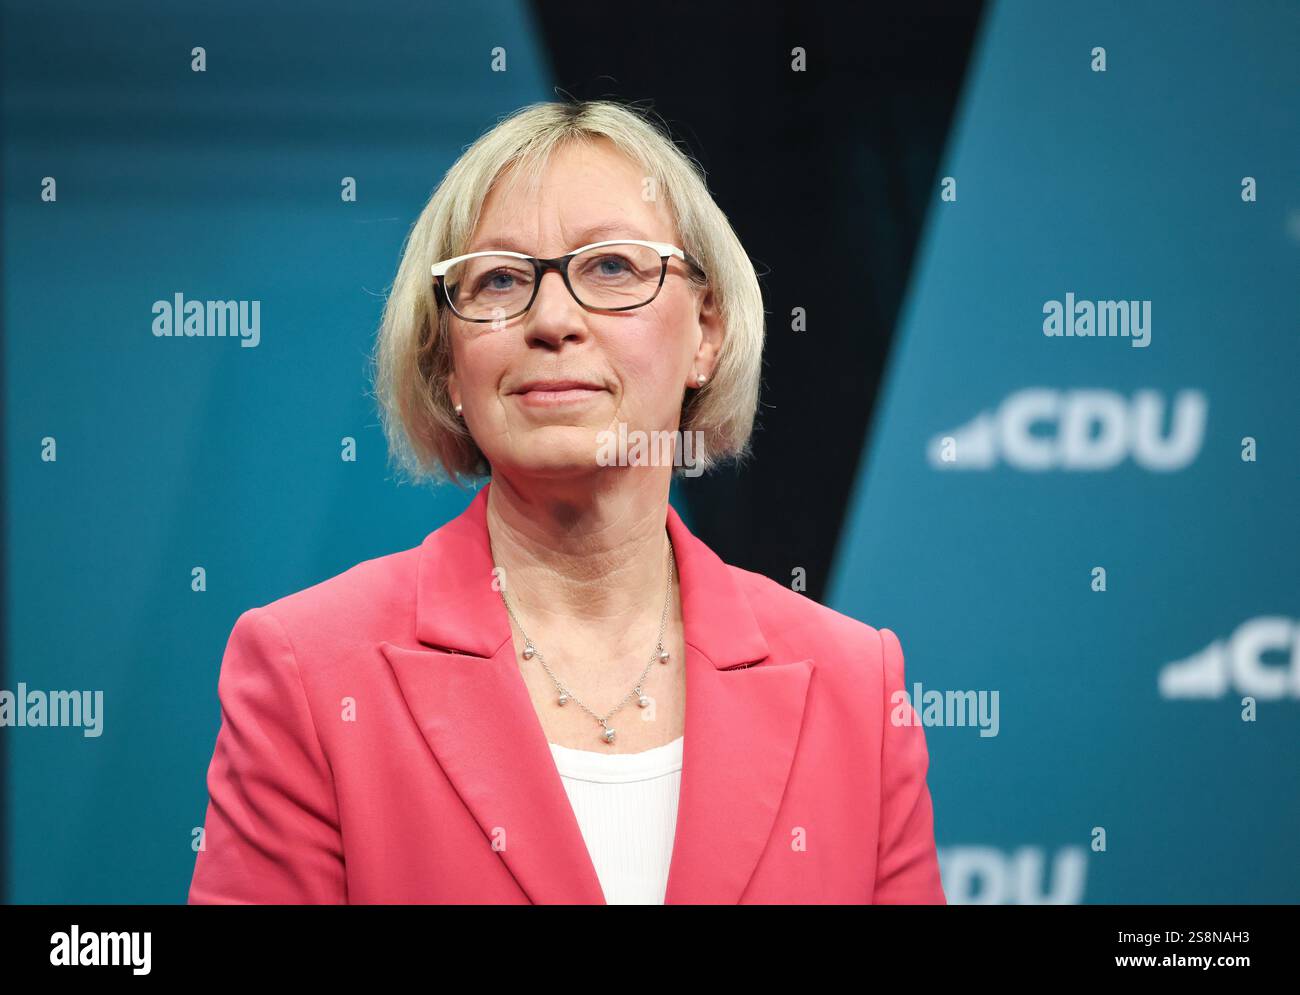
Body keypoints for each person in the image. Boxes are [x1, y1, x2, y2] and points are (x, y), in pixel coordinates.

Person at [188, 99, 945, 905]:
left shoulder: (856, 686)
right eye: (501, 280)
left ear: (706, 331)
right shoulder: (307, 672)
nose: (552, 320)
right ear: (448, 361)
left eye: (612, 267)